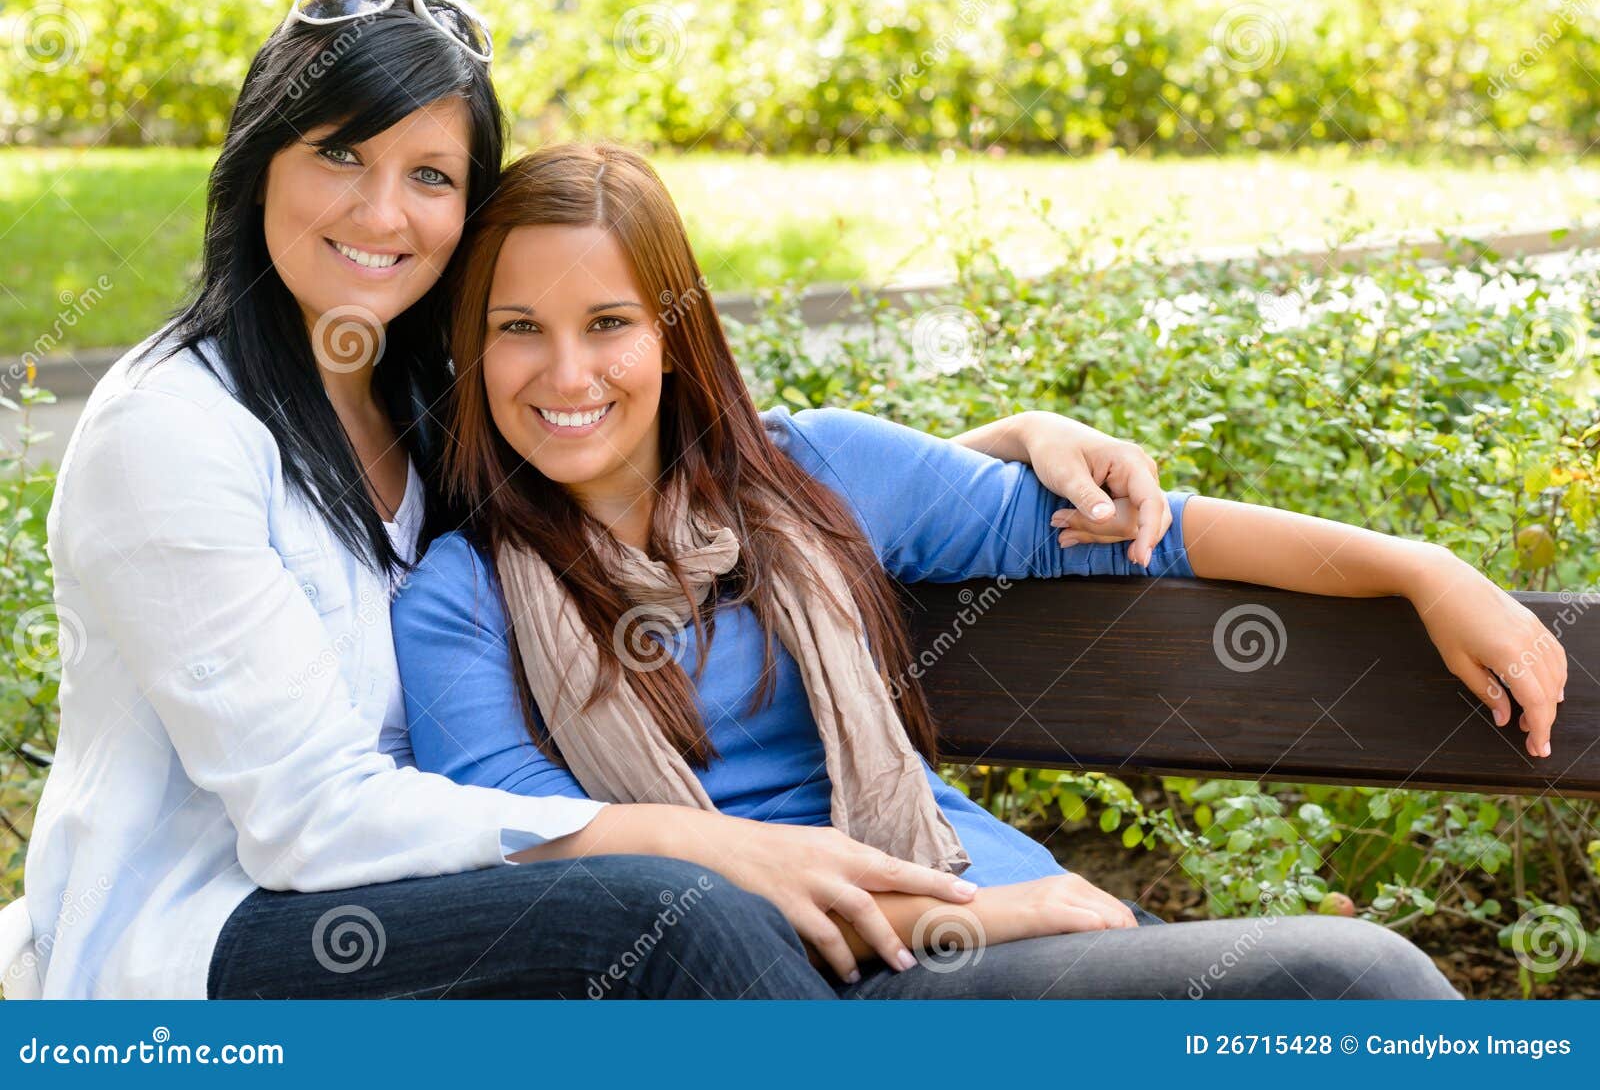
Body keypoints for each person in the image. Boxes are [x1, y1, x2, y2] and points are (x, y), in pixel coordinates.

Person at [9, 0, 1173, 1000]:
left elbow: (694, 482)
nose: (380, 212)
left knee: (684, 911)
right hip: (208, 945)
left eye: (430, 174)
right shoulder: (170, 435)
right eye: (338, 155)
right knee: (667, 908)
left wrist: (1004, 446)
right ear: (257, 161)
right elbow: (312, 821)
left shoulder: (421, 396)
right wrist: (706, 843)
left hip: (428, 887)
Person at [393, 140, 1567, 998]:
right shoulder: (462, 599)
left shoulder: (815, 476)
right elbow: (552, 870)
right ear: (470, 348)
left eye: (607, 324)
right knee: (1348, 981)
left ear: (672, 331)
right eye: (516, 328)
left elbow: (1150, 532)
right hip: (835, 979)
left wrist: (1419, 568)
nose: (565, 374)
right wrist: (975, 918)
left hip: (1012, 920)